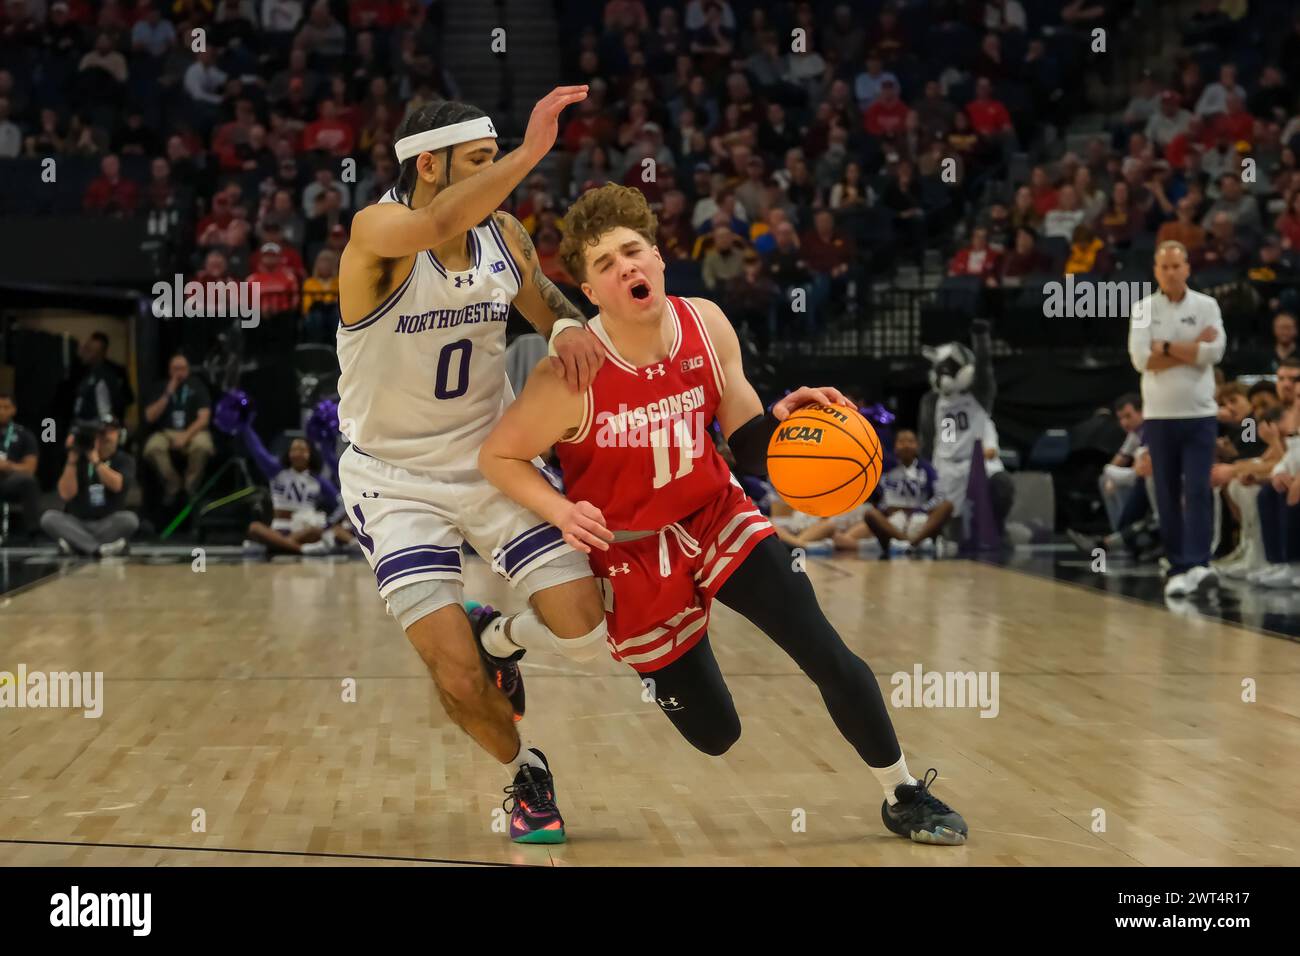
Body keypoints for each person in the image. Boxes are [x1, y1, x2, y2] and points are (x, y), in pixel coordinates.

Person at [478, 184, 968, 846]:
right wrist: (561, 510)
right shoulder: (569, 376)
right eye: (605, 264)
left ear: (657, 257)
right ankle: (501, 639)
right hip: (634, 554)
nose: (625, 267)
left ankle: (901, 791)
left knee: (824, 650)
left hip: (715, 517)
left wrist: (790, 424)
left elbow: (748, 442)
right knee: (716, 734)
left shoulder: (705, 323)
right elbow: (499, 457)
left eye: (633, 251)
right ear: (591, 292)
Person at [334, 89, 610, 844]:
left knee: (586, 629)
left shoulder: (503, 234)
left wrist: (564, 331)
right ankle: (524, 772)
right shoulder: (380, 232)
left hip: (492, 462)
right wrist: (530, 151)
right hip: (394, 482)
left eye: (501, 163)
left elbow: (545, 298)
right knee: (453, 675)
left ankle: (503, 639)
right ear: (430, 165)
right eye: (482, 164)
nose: (504, 182)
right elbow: (436, 222)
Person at [1127, 240, 1226, 598]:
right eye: (1164, 267)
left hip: (1200, 413)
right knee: (1166, 492)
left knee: (1198, 488)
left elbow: (1214, 352)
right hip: (1159, 415)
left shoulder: (1207, 305)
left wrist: (1166, 347)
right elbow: (1141, 360)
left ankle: (1200, 563)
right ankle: (1178, 565)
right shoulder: (1142, 309)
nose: (1170, 272)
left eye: (1176, 266)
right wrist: (1191, 349)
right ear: (1155, 270)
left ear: (1187, 268)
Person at [237, 416, 353, 557]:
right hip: (279, 527)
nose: (298, 453)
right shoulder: (276, 472)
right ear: (288, 453)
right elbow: (258, 451)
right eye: (294, 449)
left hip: (304, 531)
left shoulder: (317, 480)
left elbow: (342, 502)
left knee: (317, 531)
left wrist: (328, 523)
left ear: (310, 455)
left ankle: (276, 545)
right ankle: (300, 549)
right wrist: (246, 428)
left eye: (303, 450)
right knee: (255, 528)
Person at [40, 420, 138, 557]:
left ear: (120, 436)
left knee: (130, 519)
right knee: (49, 518)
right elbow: (66, 494)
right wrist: (72, 458)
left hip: (108, 522)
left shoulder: (124, 460)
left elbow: (116, 485)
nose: (106, 437)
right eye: (101, 433)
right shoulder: (77, 459)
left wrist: (95, 459)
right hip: (77, 522)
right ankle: (98, 549)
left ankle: (77, 545)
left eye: (111, 432)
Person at [142, 353, 214, 505]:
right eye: (176, 369)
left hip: (193, 431)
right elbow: (150, 417)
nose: (179, 372)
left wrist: (185, 436)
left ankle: (190, 488)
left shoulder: (197, 386)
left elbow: (204, 419)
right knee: (152, 447)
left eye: (182, 368)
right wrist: (168, 394)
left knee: (203, 446)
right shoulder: (161, 387)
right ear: (169, 370)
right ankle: (173, 484)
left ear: (188, 370)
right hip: (166, 432)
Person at [0, 391, 40, 542]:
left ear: (13, 410)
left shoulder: (24, 434)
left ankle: (33, 533)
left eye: (6, 407)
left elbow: (30, 468)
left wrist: (7, 466)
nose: (2, 411)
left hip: (10, 481)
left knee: (29, 482)